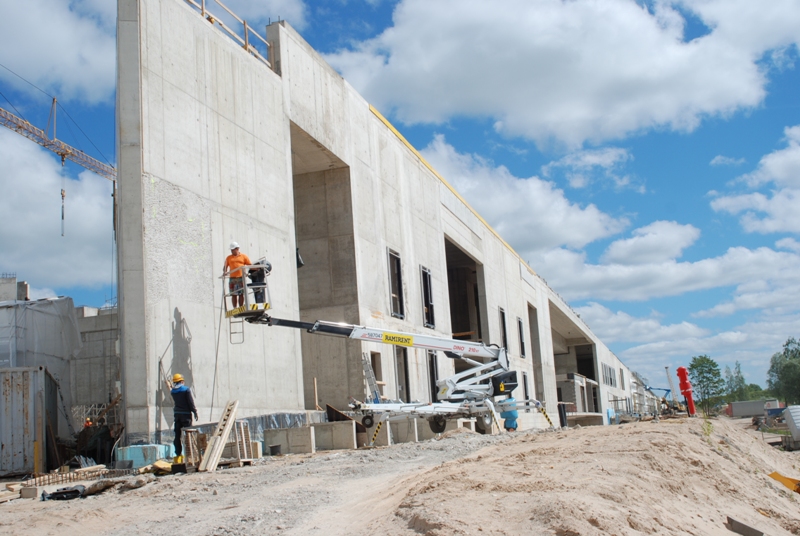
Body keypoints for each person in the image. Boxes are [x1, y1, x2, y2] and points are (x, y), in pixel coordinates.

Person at [170, 373, 198, 464]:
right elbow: (190, 402)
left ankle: (178, 454)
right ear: (182, 381)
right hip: (186, 415)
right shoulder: (186, 390)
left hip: (177, 415)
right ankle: (190, 455)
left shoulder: (173, 391)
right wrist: (194, 411)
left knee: (177, 435)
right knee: (188, 435)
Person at [223, 241, 251, 309]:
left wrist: (249, 272)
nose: (232, 251)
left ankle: (241, 307)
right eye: (231, 250)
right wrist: (225, 272)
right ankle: (235, 307)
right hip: (232, 278)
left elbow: (249, 265)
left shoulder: (243, 256)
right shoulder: (229, 258)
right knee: (233, 294)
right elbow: (225, 267)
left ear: (237, 249)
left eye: (233, 250)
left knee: (241, 293)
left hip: (241, 277)